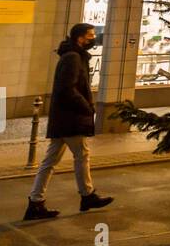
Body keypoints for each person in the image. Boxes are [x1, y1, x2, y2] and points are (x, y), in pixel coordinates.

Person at [24, 23, 114, 221]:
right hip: (70, 117)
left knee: (50, 161)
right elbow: (68, 89)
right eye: (91, 35)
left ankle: (35, 202)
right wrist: (87, 107)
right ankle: (87, 195)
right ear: (80, 38)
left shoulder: (73, 56)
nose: (94, 38)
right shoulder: (73, 57)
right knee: (82, 155)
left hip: (63, 117)